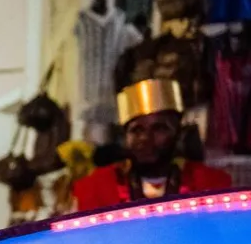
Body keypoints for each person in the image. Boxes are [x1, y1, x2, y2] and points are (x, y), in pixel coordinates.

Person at [73, 79, 232, 211]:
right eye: (136, 130)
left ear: (178, 134)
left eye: (159, 128)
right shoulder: (96, 187)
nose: (145, 138)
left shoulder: (211, 184)